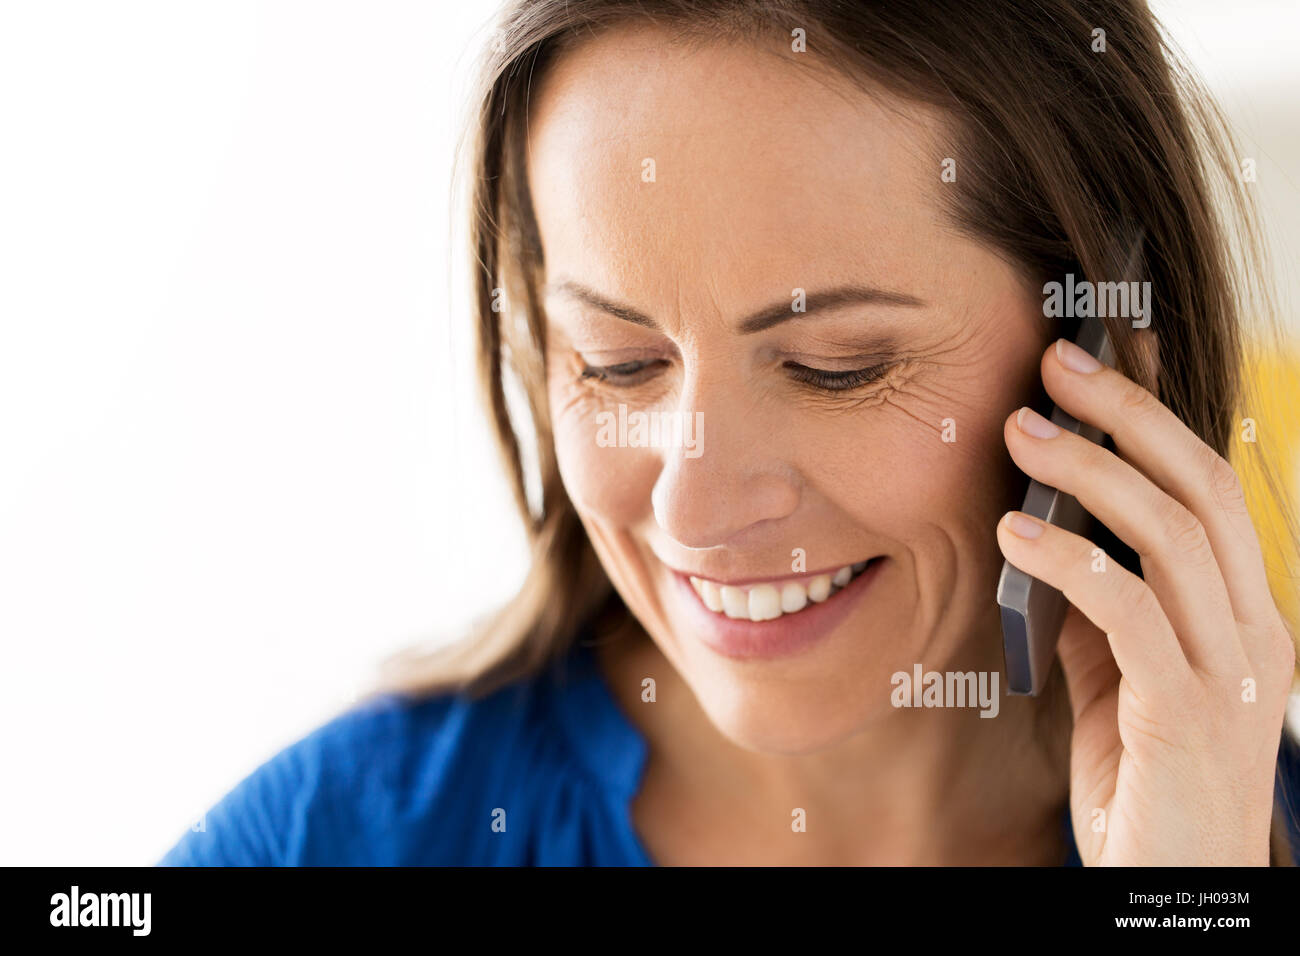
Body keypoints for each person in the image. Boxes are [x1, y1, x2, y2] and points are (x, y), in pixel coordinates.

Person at [159, 0, 1300, 866]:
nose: (689, 511)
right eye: (616, 361)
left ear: (1099, 345)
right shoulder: (329, 839)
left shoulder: (1227, 834)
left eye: (834, 367)